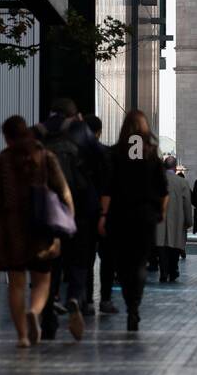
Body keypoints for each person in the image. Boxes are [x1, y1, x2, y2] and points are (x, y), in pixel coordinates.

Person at [0, 116, 74, 347]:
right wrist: (68, 219)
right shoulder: (46, 157)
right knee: (42, 281)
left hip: (11, 232)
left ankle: (22, 337)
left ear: (7, 137)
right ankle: (35, 312)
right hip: (42, 229)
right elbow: (64, 192)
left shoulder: (2, 161)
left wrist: (4, 213)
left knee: (16, 284)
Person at [40, 99, 109, 339]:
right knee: (80, 261)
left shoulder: (42, 131)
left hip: (50, 208)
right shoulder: (81, 132)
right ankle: (74, 297)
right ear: (76, 115)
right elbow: (104, 159)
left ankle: (48, 317)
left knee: (50, 264)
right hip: (82, 208)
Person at [106, 110, 168, 330]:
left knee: (123, 266)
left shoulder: (114, 154)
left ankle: (128, 303)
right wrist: (160, 212)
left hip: (119, 216)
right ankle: (134, 307)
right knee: (139, 263)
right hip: (144, 216)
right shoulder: (151, 155)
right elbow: (163, 190)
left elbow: (108, 189)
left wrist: (103, 216)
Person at [84, 114, 117, 314]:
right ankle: (105, 299)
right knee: (107, 258)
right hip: (105, 213)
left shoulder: (76, 153)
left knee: (85, 259)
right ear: (100, 132)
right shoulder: (107, 154)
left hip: (83, 212)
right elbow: (110, 187)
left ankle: (86, 299)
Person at [156, 155, 192, 283]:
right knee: (174, 248)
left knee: (162, 248)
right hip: (177, 222)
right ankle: (173, 270)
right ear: (176, 168)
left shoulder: (156, 181)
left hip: (159, 221)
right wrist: (188, 221)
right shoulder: (182, 182)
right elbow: (187, 204)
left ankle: (164, 272)